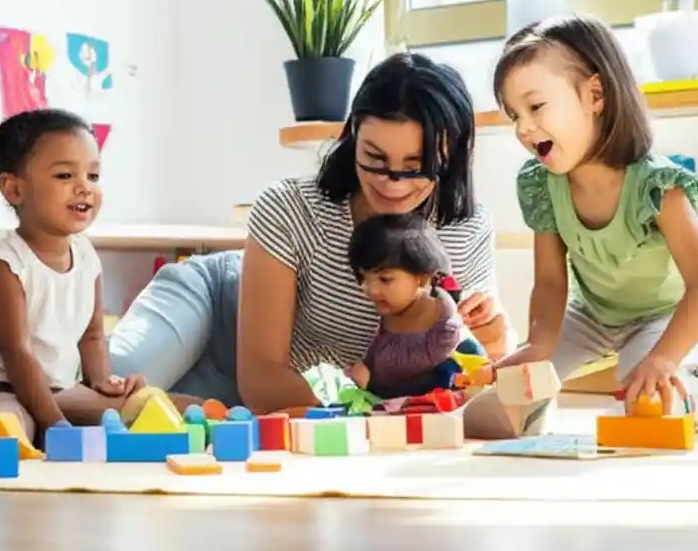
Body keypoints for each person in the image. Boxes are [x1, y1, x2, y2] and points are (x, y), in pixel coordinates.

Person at [108, 53, 517, 433]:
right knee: (109, 389)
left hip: (279, 402)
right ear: (352, 134)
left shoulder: (466, 229)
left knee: (174, 419)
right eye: (374, 157)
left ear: (451, 155)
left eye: (416, 167)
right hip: (215, 310)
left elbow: (479, 371)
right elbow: (262, 378)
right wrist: (367, 416)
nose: (391, 183)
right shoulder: (290, 206)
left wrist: (498, 337)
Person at [491, 14, 698, 412]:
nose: (524, 129)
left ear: (594, 96)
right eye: (514, 116)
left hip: (659, 319)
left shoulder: (659, 188)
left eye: (536, 107)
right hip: (590, 315)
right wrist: (538, 347)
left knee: (650, 407)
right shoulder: (543, 186)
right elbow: (549, 283)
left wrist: (663, 358)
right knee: (510, 398)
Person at [0, 109, 189, 447]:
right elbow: (18, 354)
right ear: (13, 188)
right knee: (13, 427)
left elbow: (92, 336)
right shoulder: (2, 265)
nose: (84, 188)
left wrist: (103, 383)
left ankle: (209, 416)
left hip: (55, 389)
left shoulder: (86, 255)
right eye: (65, 176)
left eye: (93, 176)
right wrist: (56, 425)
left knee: (131, 407)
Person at [344, 212, 484, 399]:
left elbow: (427, 385)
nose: (370, 290)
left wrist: (371, 384)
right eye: (364, 278)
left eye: (384, 279)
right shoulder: (389, 313)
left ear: (422, 278)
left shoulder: (447, 332)